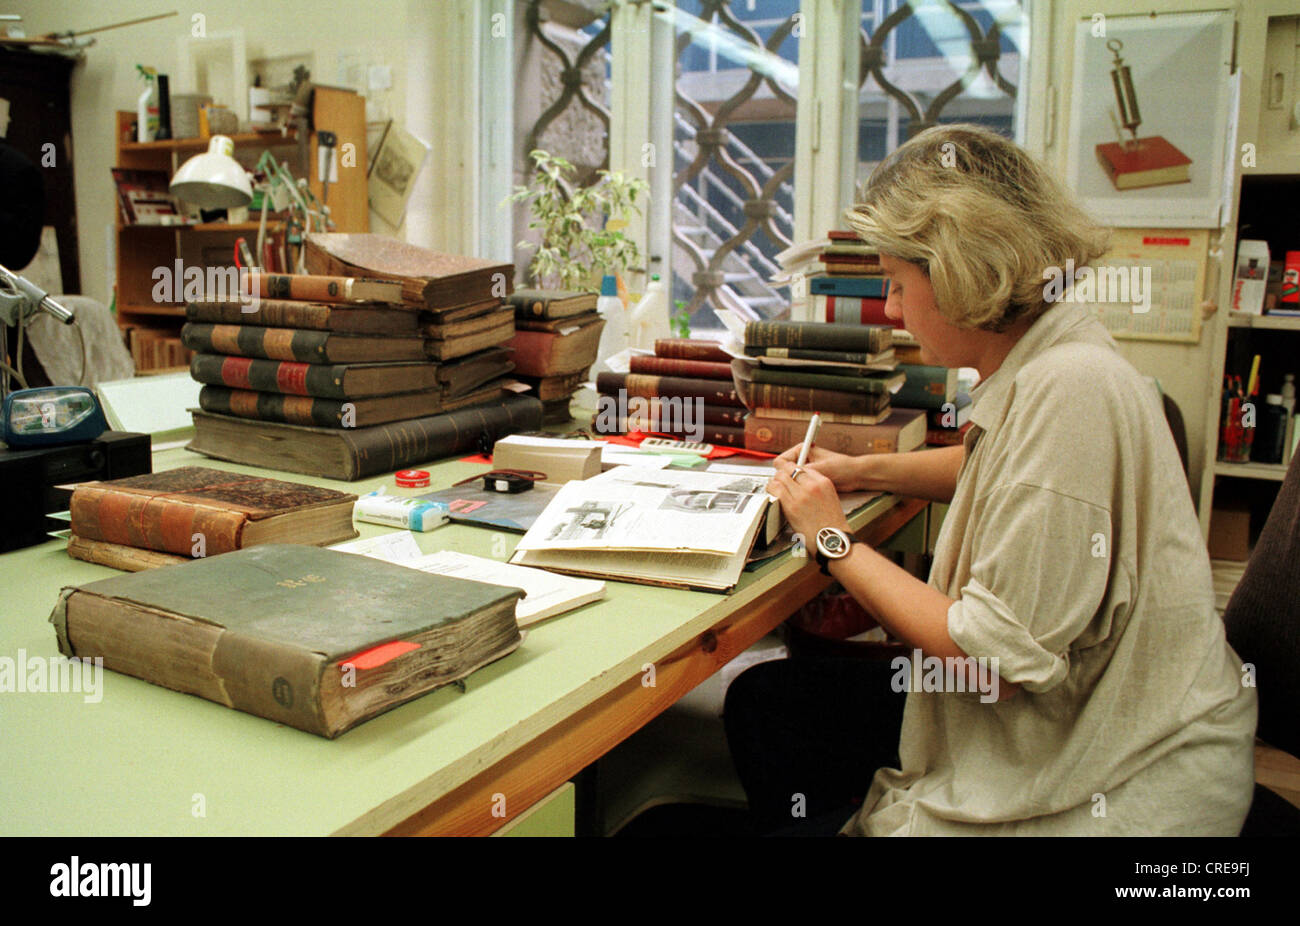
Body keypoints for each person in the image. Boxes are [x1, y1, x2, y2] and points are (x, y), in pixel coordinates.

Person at [730, 123, 1257, 836]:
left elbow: (992, 659)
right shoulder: (1055, 357)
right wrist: (861, 467)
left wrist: (833, 540)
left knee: (779, 712)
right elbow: (999, 467)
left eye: (896, 282)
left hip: (1125, 782)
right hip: (1084, 716)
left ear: (955, 272)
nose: (890, 309)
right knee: (770, 700)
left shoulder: (1069, 392)